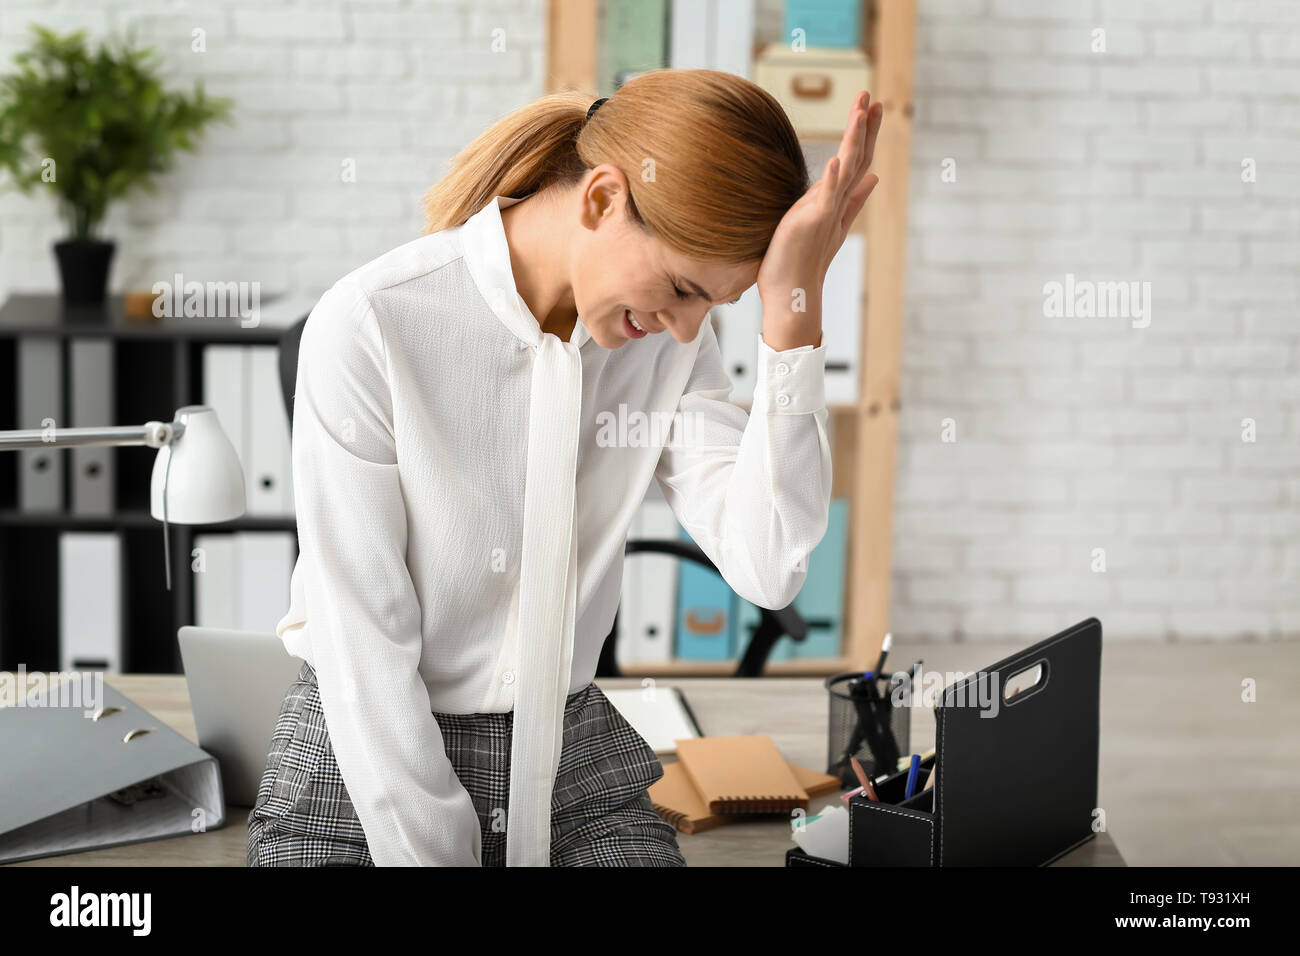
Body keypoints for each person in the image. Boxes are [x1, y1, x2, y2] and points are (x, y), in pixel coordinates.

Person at [246, 68, 883, 867]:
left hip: (566, 745)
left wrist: (794, 313)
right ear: (602, 200)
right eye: (685, 289)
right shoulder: (373, 323)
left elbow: (771, 564)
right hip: (363, 748)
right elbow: (364, 647)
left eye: (711, 308)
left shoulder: (665, 345)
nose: (687, 332)